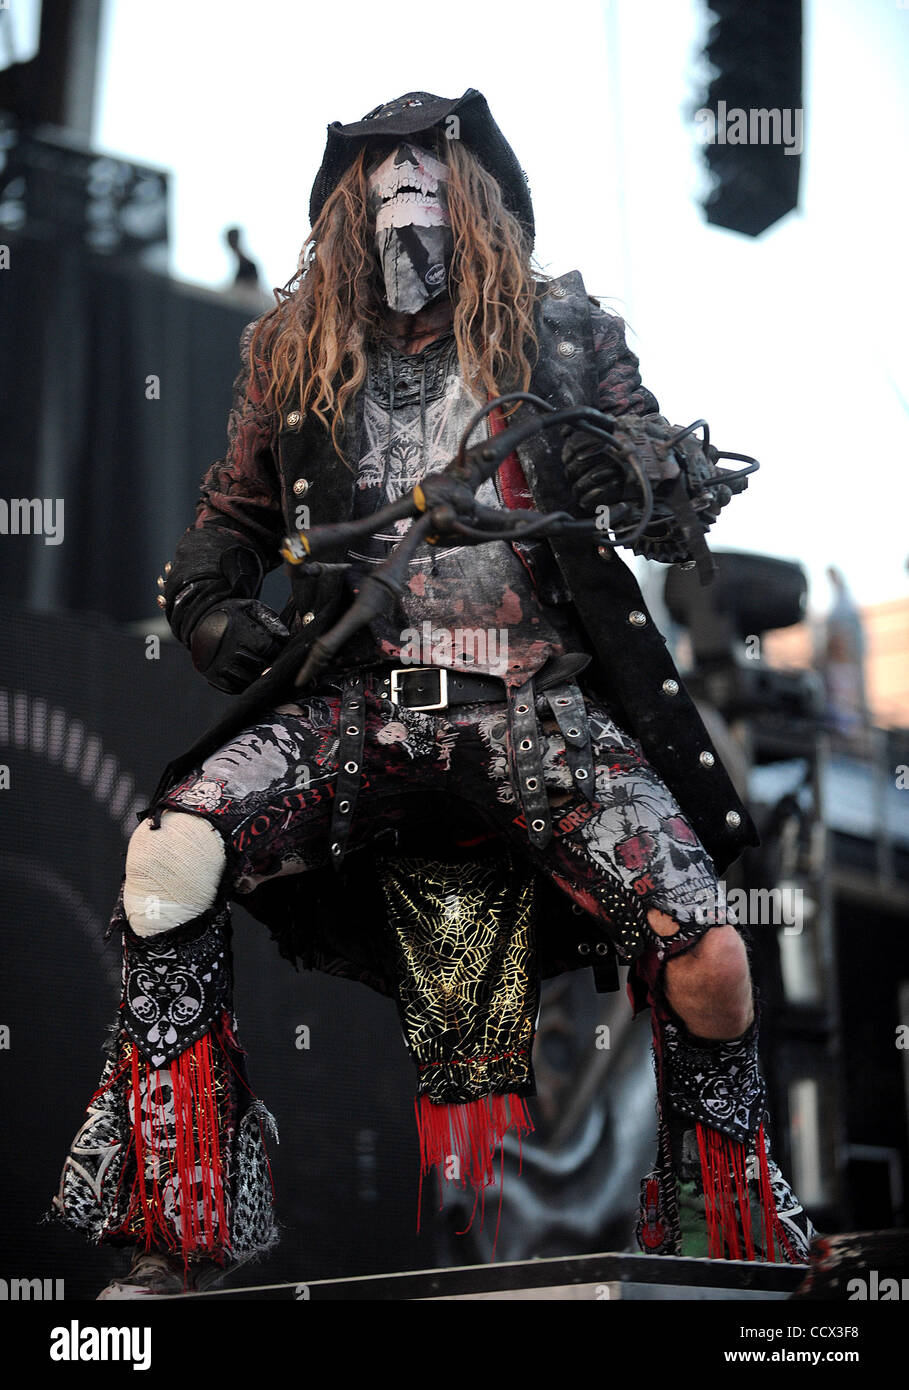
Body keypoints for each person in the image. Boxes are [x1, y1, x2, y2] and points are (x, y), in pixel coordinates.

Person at [51, 89, 815, 1297]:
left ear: (482, 194)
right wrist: (209, 612)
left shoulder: (559, 330)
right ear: (344, 202)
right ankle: (173, 1232)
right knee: (169, 858)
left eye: (430, 160)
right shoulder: (299, 349)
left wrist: (651, 475)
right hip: (355, 705)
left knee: (712, 959)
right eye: (380, 164)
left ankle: (729, 1238)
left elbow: (659, 502)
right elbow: (226, 526)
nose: (406, 178)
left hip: (533, 713)